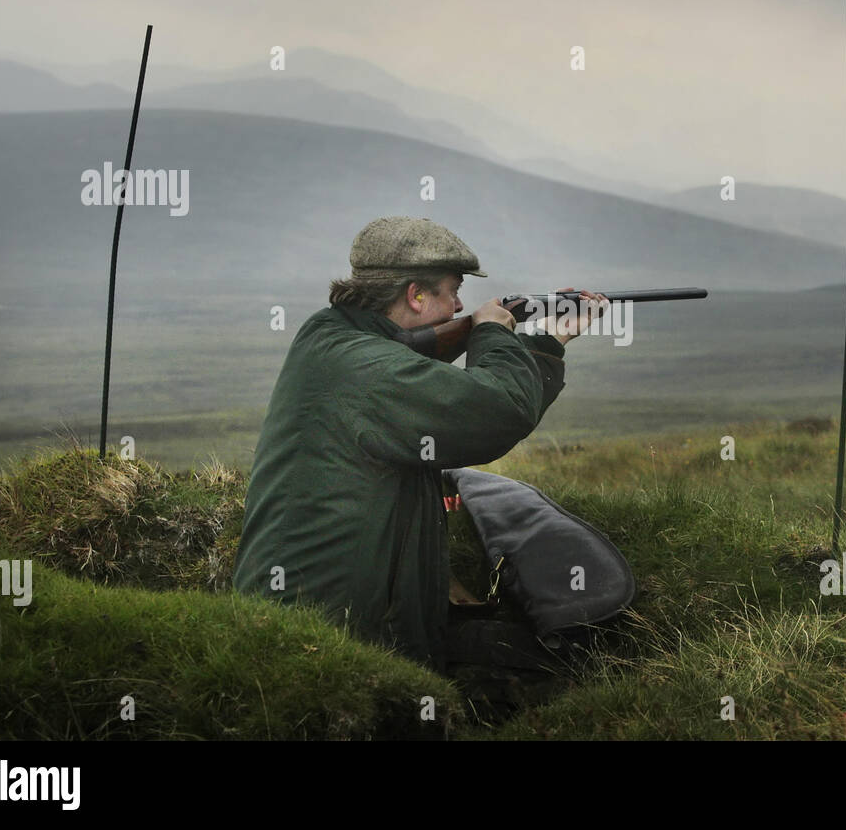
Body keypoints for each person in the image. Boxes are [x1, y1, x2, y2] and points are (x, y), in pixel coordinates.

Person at [232, 216, 606, 672]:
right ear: (416, 295)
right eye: (453, 291)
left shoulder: (327, 335)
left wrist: (547, 336)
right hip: (329, 643)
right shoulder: (365, 367)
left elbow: (418, 366)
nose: (458, 305)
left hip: (314, 621)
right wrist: (492, 329)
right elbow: (498, 409)